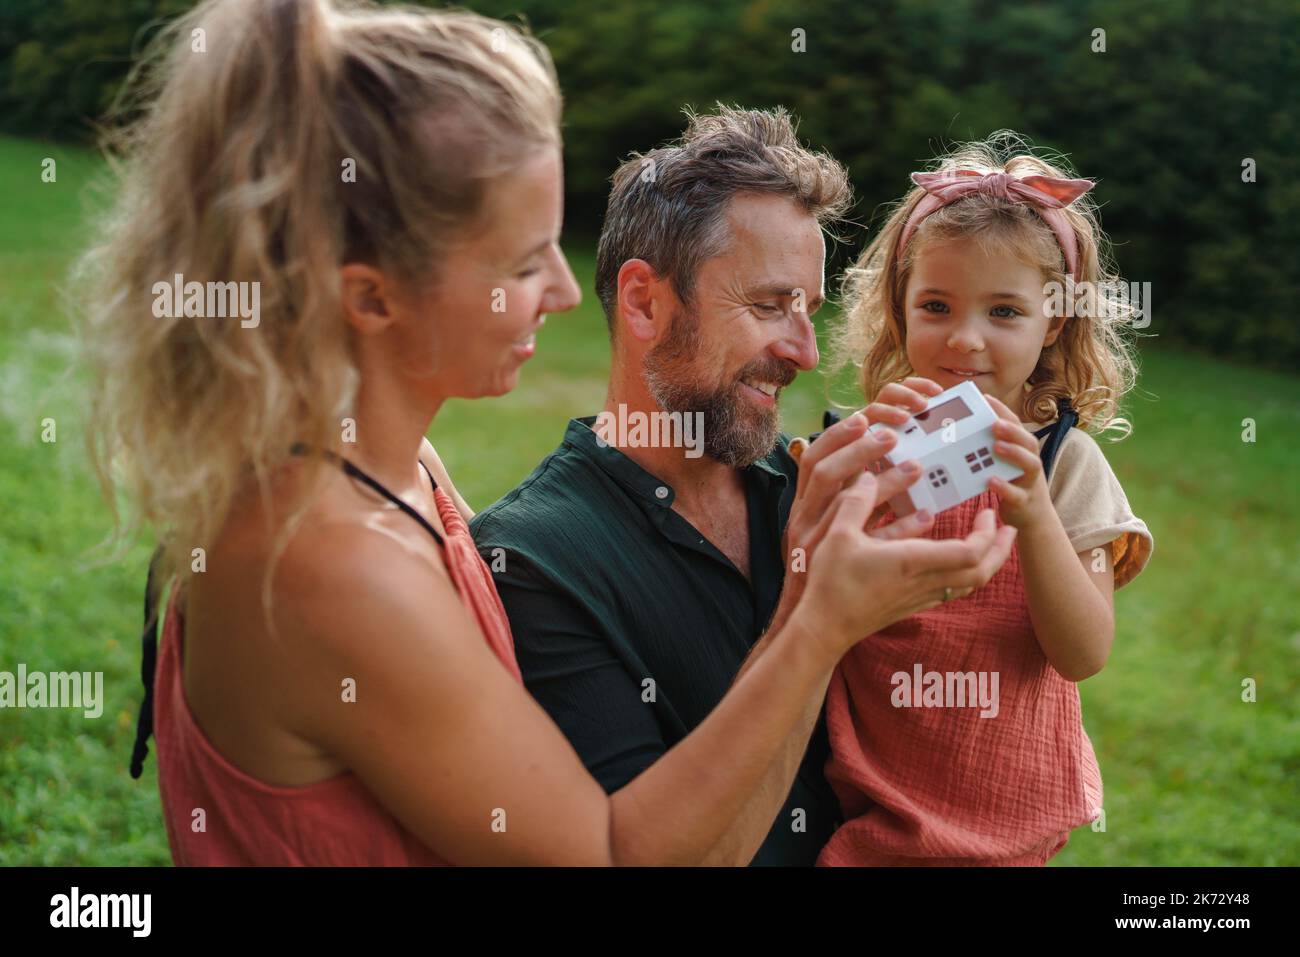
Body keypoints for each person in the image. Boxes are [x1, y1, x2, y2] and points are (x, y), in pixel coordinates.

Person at [82, 0, 1013, 866]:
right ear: (369, 294)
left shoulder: (388, 463)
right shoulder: (329, 563)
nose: (569, 294)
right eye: (527, 263)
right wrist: (818, 621)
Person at [471, 107, 1018, 865]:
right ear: (645, 303)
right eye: (768, 305)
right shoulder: (534, 562)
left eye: (810, 310)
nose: (801, 350)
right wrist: (815, 619)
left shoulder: (814, 492)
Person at [817, 133, 1154, 866]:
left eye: (1004, 312)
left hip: (1008, 822)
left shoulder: (1065, 466)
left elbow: (1084, 651)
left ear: (1053, 322)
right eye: (937, 304)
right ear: (901, 309)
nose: (965, 340)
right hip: (869, 810)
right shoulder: (867, 447)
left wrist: (1031, 509)